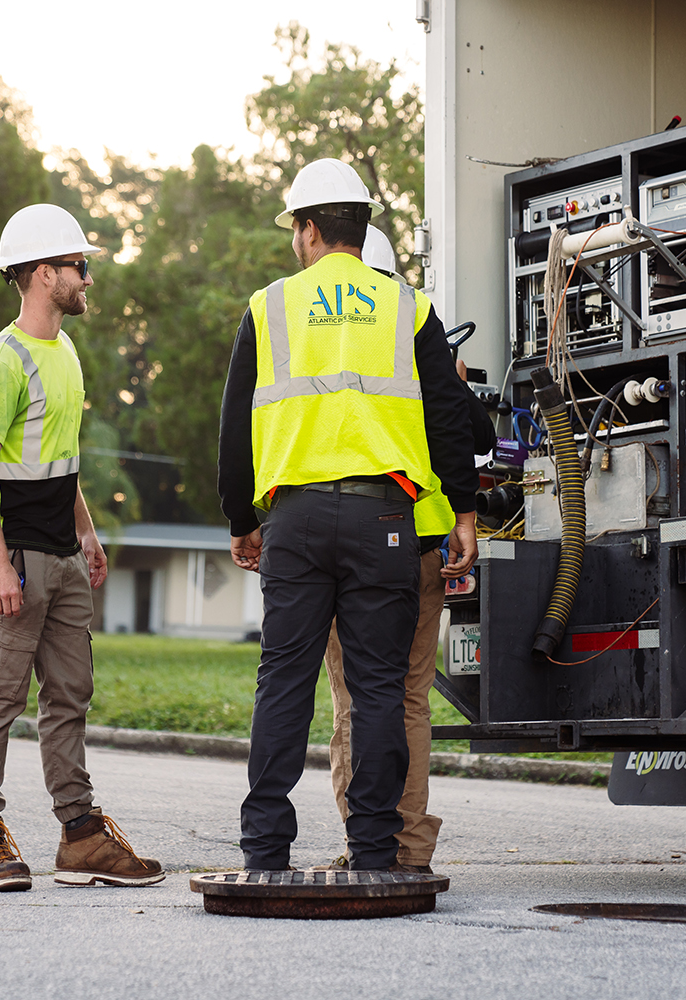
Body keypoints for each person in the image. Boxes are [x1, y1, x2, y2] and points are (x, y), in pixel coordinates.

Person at [217, 160, 479, 872]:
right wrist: (463, 510)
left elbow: (235, 423)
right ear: (362, 229)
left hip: (295, 523)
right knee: (379, 689)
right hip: (386, 523)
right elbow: (452, 417)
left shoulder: (268, 306)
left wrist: (242, 517)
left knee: (284, 684)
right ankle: (373, 848)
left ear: (307, 230)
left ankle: (265, 849)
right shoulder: (409, 308)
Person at [0, 203, 163, 891]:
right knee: (0, 697)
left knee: (70, 695)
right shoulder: (2, 359)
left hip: (62, 555)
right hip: (11, 558)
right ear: (45, 274)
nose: (88, 278)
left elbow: (59, 459)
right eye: (80, 266)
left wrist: (87, 531)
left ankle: (80, 837)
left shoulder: (66, 352)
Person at [319, 226, 498, 873]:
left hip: (355, 540)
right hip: (421, 543)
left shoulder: (330, 343)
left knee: (354, 700)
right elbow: (470, 428)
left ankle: (363, 843)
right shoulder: (416, 327)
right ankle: (410, 848)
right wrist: (465, 514)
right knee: (410, 698)